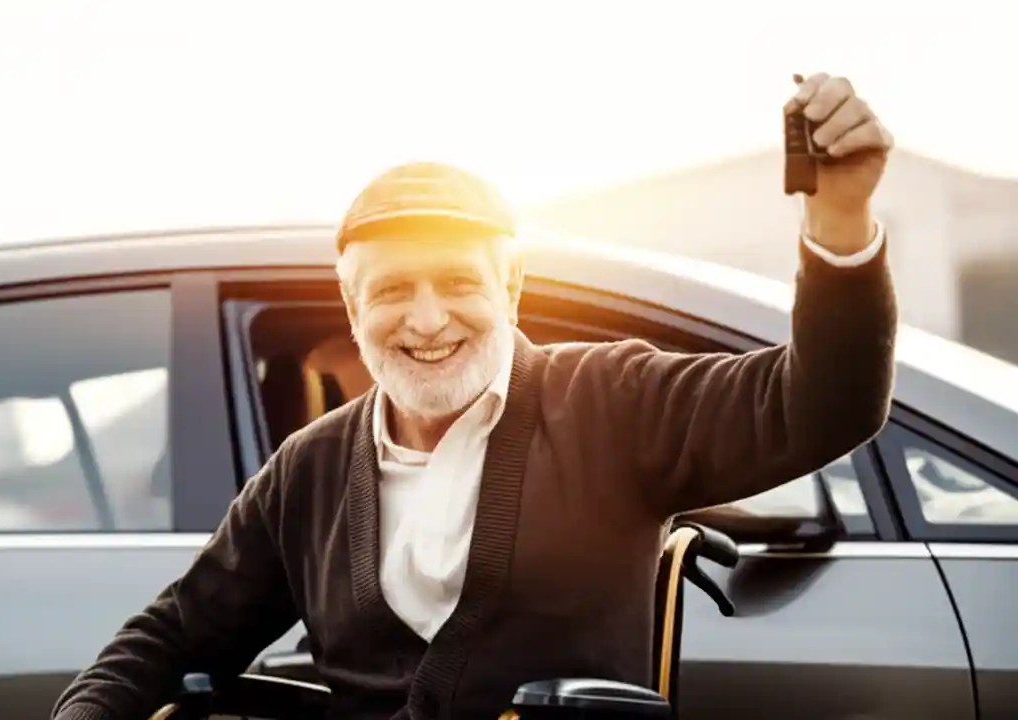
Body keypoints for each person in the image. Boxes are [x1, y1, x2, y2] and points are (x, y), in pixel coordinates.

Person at [52, 72, 898, 720]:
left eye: (458, 282)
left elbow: (822, 402)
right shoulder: (306, 472)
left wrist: (841, 225)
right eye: (390, 292)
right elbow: (171, 635)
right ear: (353, 308)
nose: (426, 320)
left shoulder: (612, 402)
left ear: (513, 285)